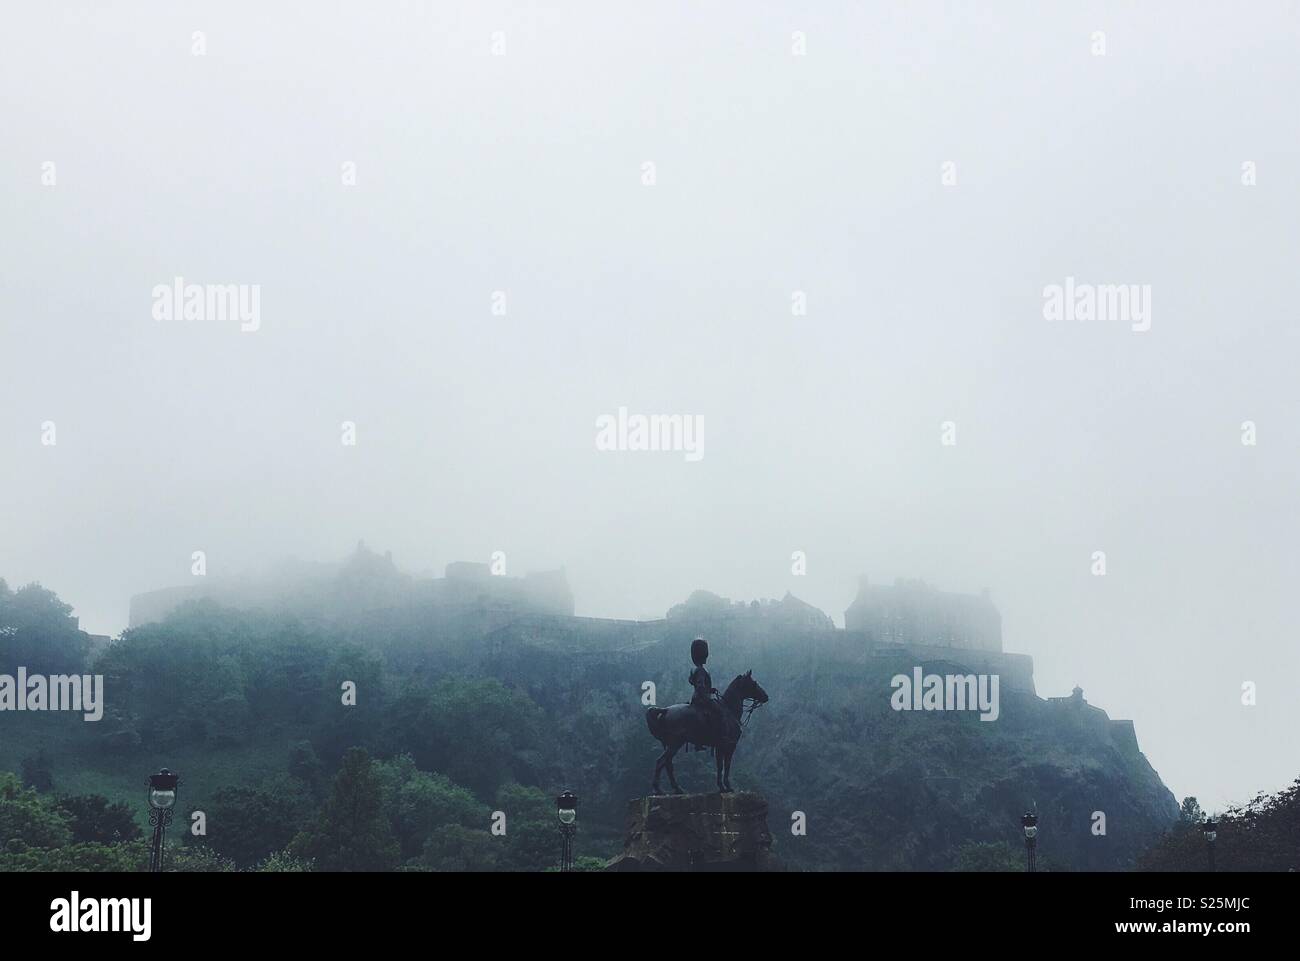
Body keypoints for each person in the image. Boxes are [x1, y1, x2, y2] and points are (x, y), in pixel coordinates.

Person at [689, 637, 723, 746]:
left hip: (696, 698)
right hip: (702, 699)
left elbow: (696, 684)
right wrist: (707, 697)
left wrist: (710, 690)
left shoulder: (694, 669)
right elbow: (700, 686)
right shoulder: (701, 670)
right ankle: (719, 737)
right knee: (720, 712)